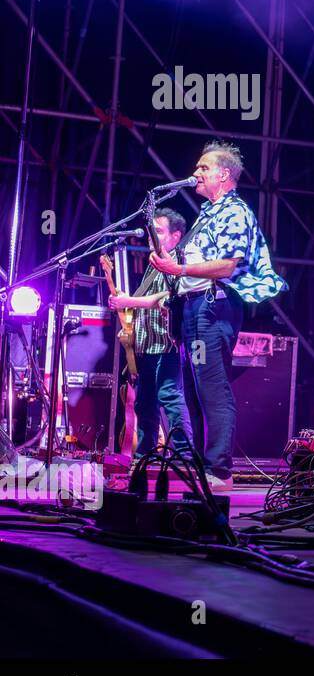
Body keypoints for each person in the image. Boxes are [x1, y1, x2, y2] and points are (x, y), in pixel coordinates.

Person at [146, 142, 287, 491]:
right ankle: (199, 465)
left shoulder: (234, 212)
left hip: (214, 307)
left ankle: (220, 470)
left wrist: (178, 267)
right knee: (193, 391)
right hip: (193, 309)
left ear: (223, 175)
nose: (196, 173)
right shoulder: (208, 214)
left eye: (203, 168)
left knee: (211, 388)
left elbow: (226, 266)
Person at [108, 207, 191, 456]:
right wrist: (126, 299)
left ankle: (185, 457)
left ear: (175, 237)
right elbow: (148, 300)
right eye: (151, 232)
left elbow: (168, 297)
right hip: (148, 347)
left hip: (168, 345)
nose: (152, 237)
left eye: (159, 232)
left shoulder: (176, 261)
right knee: (145, 405)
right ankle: (145, 457)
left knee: (170, 398)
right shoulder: (154, 263)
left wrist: (130, 302)